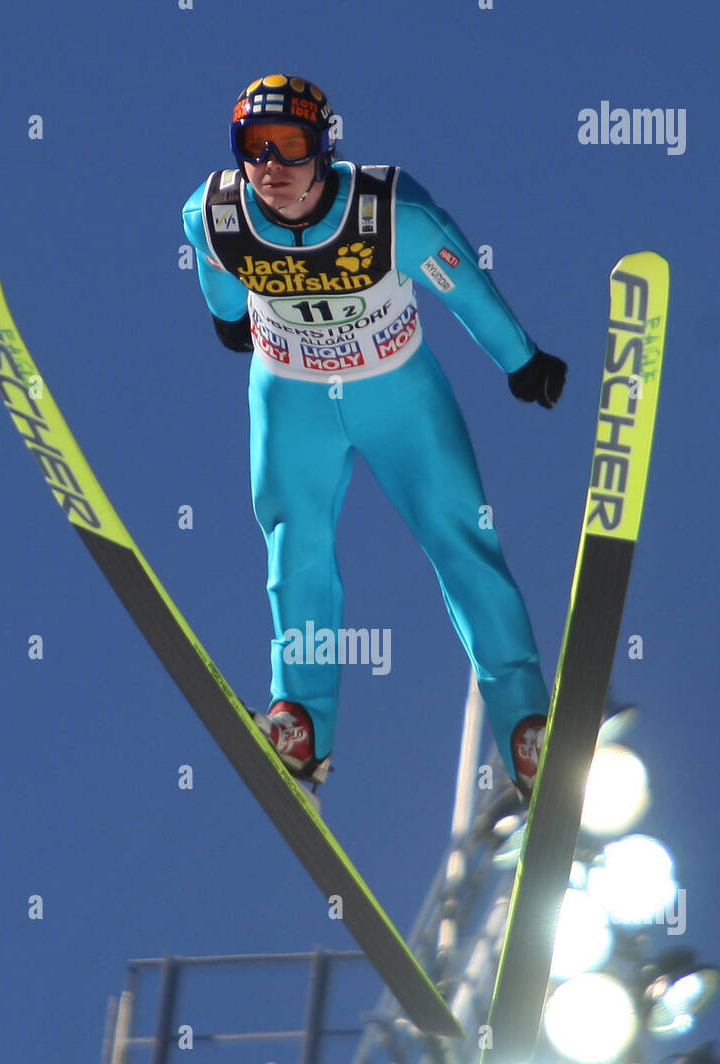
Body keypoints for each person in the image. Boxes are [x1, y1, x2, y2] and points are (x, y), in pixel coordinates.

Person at [182, 73, 566, 799]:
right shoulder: (215, 213)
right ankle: (300, 721)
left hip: (396, 393)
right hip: (290, 396)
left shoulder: (388, 213)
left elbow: (463, 285)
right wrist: (229, 314)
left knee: (461, 539)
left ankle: (525, 723)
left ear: (324, 148)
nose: (271, 166)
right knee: (295, 546)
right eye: (253, 147)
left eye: (290, 145)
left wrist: (520, 359)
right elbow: (213, 263)